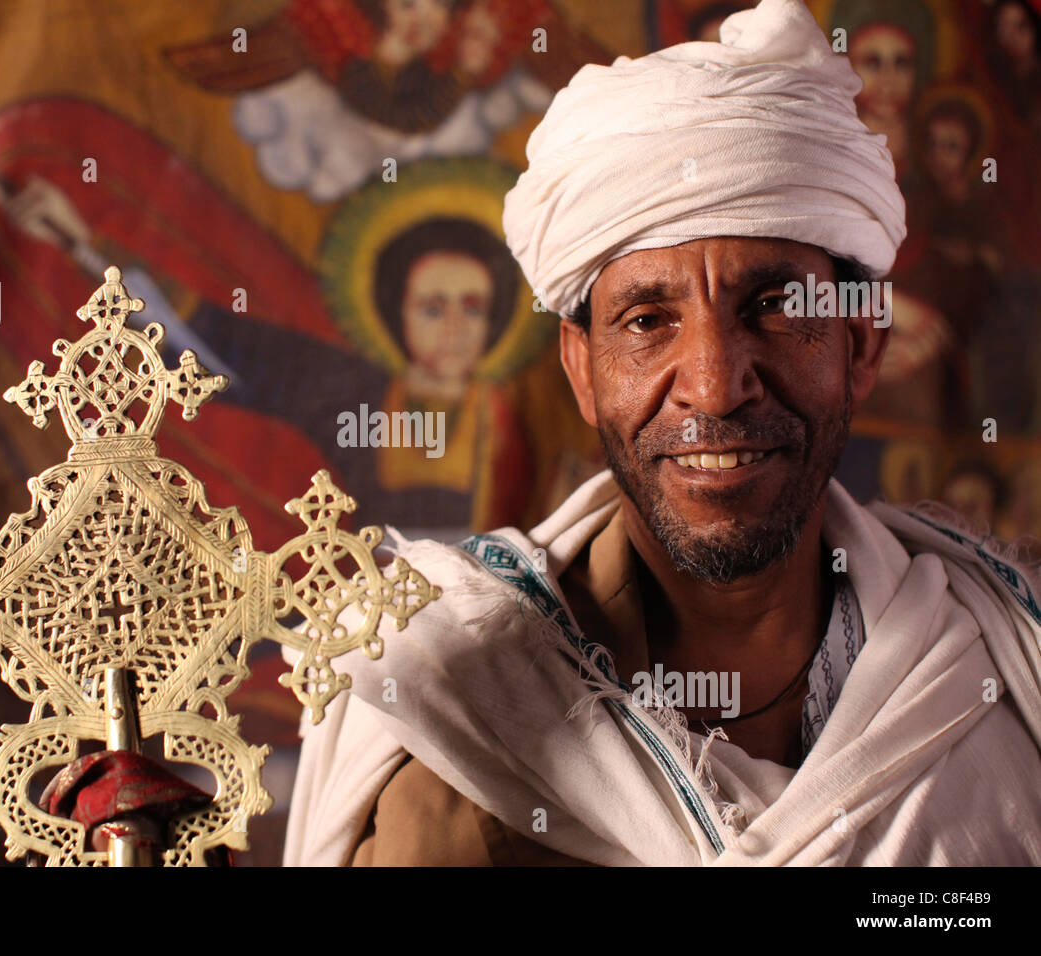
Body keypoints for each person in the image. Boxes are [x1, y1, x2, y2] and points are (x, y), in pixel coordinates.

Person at [282, 0, 1041, 865]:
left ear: (860, 346)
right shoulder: (458, 730)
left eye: (776, 307)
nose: (715, 388)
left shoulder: (1002, 689)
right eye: (647, 320)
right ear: (581, 368)